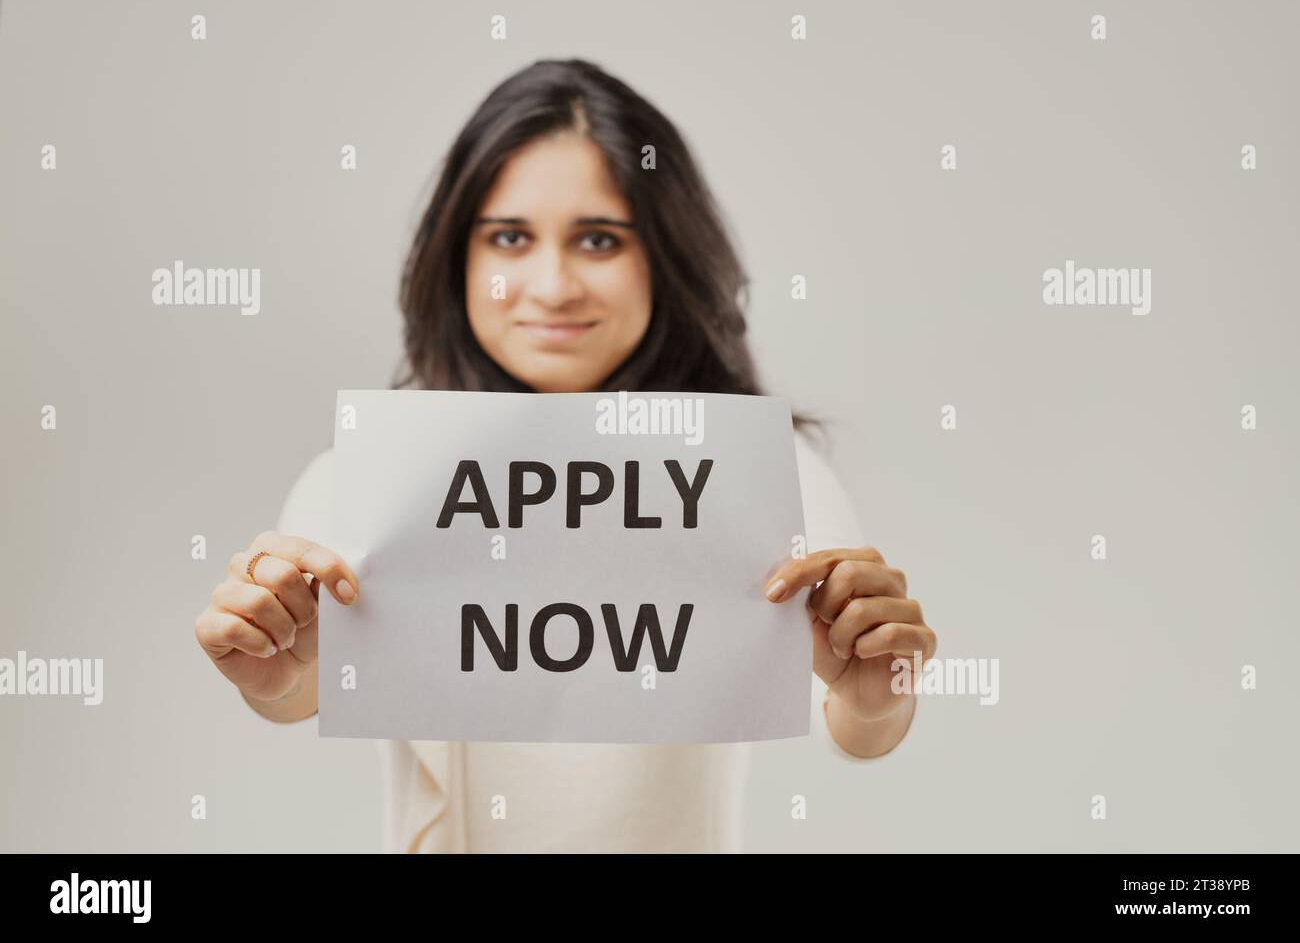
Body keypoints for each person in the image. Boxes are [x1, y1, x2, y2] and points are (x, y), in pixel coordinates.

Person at [194, 58, 937, 852]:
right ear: (460, 261)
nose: (551, 286)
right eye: (510, 237)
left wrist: (876, 695)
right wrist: (267, 674)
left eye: (598, 239)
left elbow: (854, 725)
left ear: (666, 255)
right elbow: (301, 687)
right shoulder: (360, 476)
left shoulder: (765, 477)